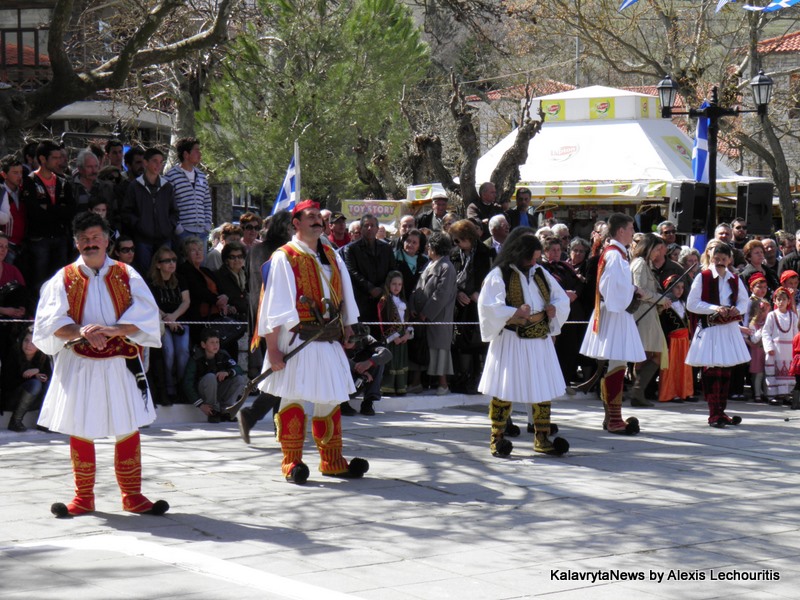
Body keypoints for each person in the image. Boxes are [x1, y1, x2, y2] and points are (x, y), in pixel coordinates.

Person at [33, 212, 167, 517]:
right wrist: (82, 331)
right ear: (75, 243)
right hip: (79, 362)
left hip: (121, 362)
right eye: (83, 239)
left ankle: (132, 496)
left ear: (107, 240)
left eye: (95, 238)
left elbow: (147, 316)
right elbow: (49, 323)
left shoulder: (127, 274)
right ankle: (83, 498)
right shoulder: (62, 279)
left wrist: (115, 330)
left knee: (127, 426)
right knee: (80, 427)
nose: (89, 244)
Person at [257, 199, 368, 484]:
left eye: (319, 216)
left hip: (328, 337)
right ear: (296, 223)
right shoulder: (284, 256)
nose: (317, 220)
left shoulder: (331, 253)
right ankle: (291, 462)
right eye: (311, 216)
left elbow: (345, 296)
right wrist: (272, 349)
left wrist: (348, 327)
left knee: (330, 399)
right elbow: (274, 306)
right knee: (292, 397)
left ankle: (332, 461)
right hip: (297, 338)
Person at [477, 230, 570, 458]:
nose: (535, 262)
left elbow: (561, 297)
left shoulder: (540, 272)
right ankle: (497, 438)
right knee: (503, 388)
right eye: (532, 257)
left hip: (539, 340)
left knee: (542, 388)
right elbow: (488, 305)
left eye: (537, 257)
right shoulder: (499, 274)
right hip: (512, 339)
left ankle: (542, 437)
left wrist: (553, 308)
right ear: (519, 254)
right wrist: (514, 311)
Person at [579, 213, 644, 435]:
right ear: (620, 231)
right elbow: (611, 287)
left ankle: (612, 417)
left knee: (617, 366)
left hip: (614, 311)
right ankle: (615, 418)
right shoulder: (615, 255)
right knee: (617, 366)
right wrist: (633, 292)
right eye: (631, 228)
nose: (633, 232)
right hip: (615, 313)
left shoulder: (616, 253)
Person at [685, 242, 750, 428]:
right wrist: (715, 308)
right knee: (712, 370)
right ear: (710, 258)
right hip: (710, 329)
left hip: (728, 329)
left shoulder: (735, 279)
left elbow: (744, 302)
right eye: (716, 258)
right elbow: (692, 304)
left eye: (723, 259)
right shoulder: (703, 277)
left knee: (725, 370)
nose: (720, 262)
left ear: (730, 260)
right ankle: (713, 413)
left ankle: (721, 411)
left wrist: (734, 309)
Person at [21, 140, 76, 294]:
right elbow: (34, 213)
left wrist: (49, 208)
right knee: (39, 280)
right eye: (55, 157)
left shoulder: (63, 182)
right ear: (42, 159)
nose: (59, 161)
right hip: (39, 239)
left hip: (60, 237)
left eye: (60, 157)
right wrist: (59, 210)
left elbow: (71, 211)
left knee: (60, 281)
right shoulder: (30, 182)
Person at [450, 219, 494, 394]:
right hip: (461, 306)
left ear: (468, 237)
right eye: (455, 241)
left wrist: (478, 293)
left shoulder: (487, 253)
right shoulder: (454, 254)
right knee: (461, 342)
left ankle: (480, 380)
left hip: (479, 305)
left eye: (459, 240)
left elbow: (493, 278)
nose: (457, 244)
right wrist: (458, 292)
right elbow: (451, 278)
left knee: (480, 343)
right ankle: (463, 379)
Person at [409, 231, 457, 395]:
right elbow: (417, 289)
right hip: (421, 316)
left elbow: (441, 294)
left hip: (438, 317)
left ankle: (443, 384)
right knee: (421, 349)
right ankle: (416, 383)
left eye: (429, 246)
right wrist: (413, 307)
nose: (427, 249)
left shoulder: (446, 267)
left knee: (439, 350)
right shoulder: (428, 264)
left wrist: (427, 313)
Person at [628, 233, 671, 407]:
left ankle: (637, 391)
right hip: (642, 313)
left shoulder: (645, 264)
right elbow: (639, 290)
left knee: (651, 353)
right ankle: (636, 392)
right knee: (648, 354)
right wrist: (661, 299)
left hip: (649, 313)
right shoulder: (639, 264)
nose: (659, 253)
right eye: (657, 248)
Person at [122, 148, 178, 273]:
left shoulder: (167, 186)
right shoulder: (135, 186)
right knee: (145, 272)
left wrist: (169, 226)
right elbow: (127, 212)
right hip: (143, 239)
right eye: (155, 161)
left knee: (165, 272)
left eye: (161, 162)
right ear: (145, 163)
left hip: (164, 238)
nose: (158, 165)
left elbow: (174, 211)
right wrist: (139, 225)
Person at [147, 246, 190, 406]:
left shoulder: (180, 278)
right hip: (161, 323)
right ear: (158, 264)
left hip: (180, 322)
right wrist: (167, 318)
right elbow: (151, 304)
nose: (172, 264)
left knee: (183, 352)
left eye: (173, 260)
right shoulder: (151, 282)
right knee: (168, 352)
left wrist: (173, 317)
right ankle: (169, 388)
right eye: (167, 261)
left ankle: (182, 388)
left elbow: (186, 301)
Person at [183, 327, 246, 422]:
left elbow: (238, 369)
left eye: (217, 342)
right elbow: (187, 383)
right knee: (210, 377)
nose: (215, 345)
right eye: (212, 342)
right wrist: (200, 405)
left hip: (217, 390)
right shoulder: (196, 358)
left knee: (239, 379)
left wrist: (228, 372)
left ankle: (227, 410)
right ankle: (213, 411)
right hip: (203, 393)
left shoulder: (222, 355)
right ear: (203, 345)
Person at [342, 213, 395, 325]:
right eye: (366, 226)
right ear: (361, 229)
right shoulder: (351, 249)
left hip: (382, 298)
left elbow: (392, 270)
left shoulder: (386, 248)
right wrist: (370, 288)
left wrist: (381, 288)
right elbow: (352, 272)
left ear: (377, 228)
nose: (369, 228)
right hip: (361, 300)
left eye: (372, 225)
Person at [166, 137, 213, 252]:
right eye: (196, 150)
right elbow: (168, 205)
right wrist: (178, 228)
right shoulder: (171, 176)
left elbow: (207, 202)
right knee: (184, 266)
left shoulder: (202, 176)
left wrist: (207, 225)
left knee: (201, 267)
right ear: (186, 154)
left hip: (202, 232)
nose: (200, 153)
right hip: (183, 232)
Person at [3, 326, 51, 432]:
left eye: (33, 343)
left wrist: (38, 373)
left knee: (47, 384)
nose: (28, 345)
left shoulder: (43, 357)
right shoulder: (14, 354)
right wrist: (30, 376)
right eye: (26, 340)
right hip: (12, 399)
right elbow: (8, 383)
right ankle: (15, 421)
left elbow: (47, 376)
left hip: (33, 400)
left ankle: (43, 422)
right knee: (35, 384)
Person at [658, 275, 694, 403]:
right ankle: (670, 392)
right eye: (677, 287)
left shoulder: (684, 303)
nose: (680, 290)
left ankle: (685, 391)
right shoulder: (665, 304)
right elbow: (663, 325)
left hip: (684, 340)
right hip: (672, 340)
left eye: (682, 287)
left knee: (684, 367)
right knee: (672, 367)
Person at [377, 271, 413, 397]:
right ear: (388, 284)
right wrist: (394, 337)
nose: (397, 287)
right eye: (394, 284)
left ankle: (400, 387)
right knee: (391, 362)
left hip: (402, 337)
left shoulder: (403, 301)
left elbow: (407, 319)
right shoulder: (384, 301)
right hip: (392, 339)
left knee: (400, 362)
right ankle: (388, 387)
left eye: (399, 284)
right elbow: (383, 321)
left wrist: (407, 334)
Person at [761, 287, 796, 406]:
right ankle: (771, 395)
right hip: (775, 349)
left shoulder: (793, 316)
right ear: (774, 301)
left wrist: (797, 349)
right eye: (778, 299)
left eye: (784, 299)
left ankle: (786, 394)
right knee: (773, 372)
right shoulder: (772, 315)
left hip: (789, 350)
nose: (781, 302)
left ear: (788, 301)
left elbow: (796, 334)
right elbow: (766, 332)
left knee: (787, 374)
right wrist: (768, 347)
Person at [746, 273, 771, 403]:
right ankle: (756, 392)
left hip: (764, 345)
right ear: (752, 288)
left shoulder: (765, 303)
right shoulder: (750, 302)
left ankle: (765, 392)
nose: (762, 290)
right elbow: (746, 323)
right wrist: (748, 340)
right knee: (757, 372)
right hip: (752, 342)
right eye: (759, 287)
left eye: (765, 287)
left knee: (766, 371)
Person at [0, 154, 26, 265]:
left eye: (21, 172)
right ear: (4, 174)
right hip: (6, 246)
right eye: (15, 173)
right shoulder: (1, 193)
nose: (19, 176)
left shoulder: (24, 192)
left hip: (24, 245)